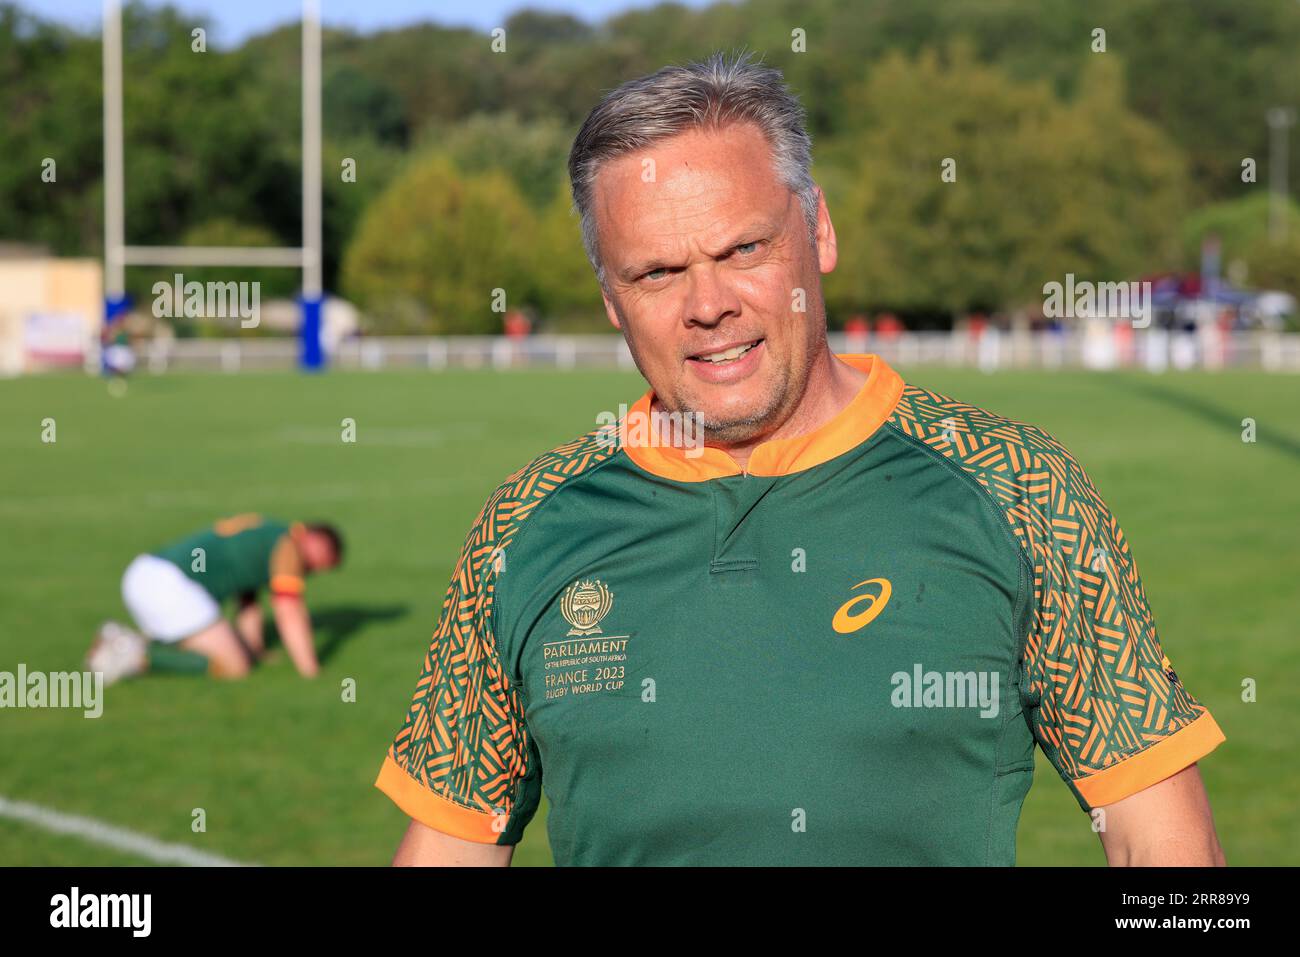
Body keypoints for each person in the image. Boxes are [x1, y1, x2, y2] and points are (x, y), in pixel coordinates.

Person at [376, 53, 1225, 866]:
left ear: (817, 230)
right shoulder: (523, 528)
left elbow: (1158, 835)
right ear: (611, 300)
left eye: (743, 250)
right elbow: (452, 845)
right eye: (658, 273)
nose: (708, 305)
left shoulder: (1017, 487)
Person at [89, 514, 343, 682]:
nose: (315, 571)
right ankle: (134, 653)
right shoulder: (289, 548)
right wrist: (310, 669)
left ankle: (129, 642)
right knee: (235, 667)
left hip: (145, 573)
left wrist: (255, 649)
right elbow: (289, 612)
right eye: (321, 563)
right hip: (169, 587)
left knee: (233, 652)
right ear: (315, 541)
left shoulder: (269, 534)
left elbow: (247, 601)